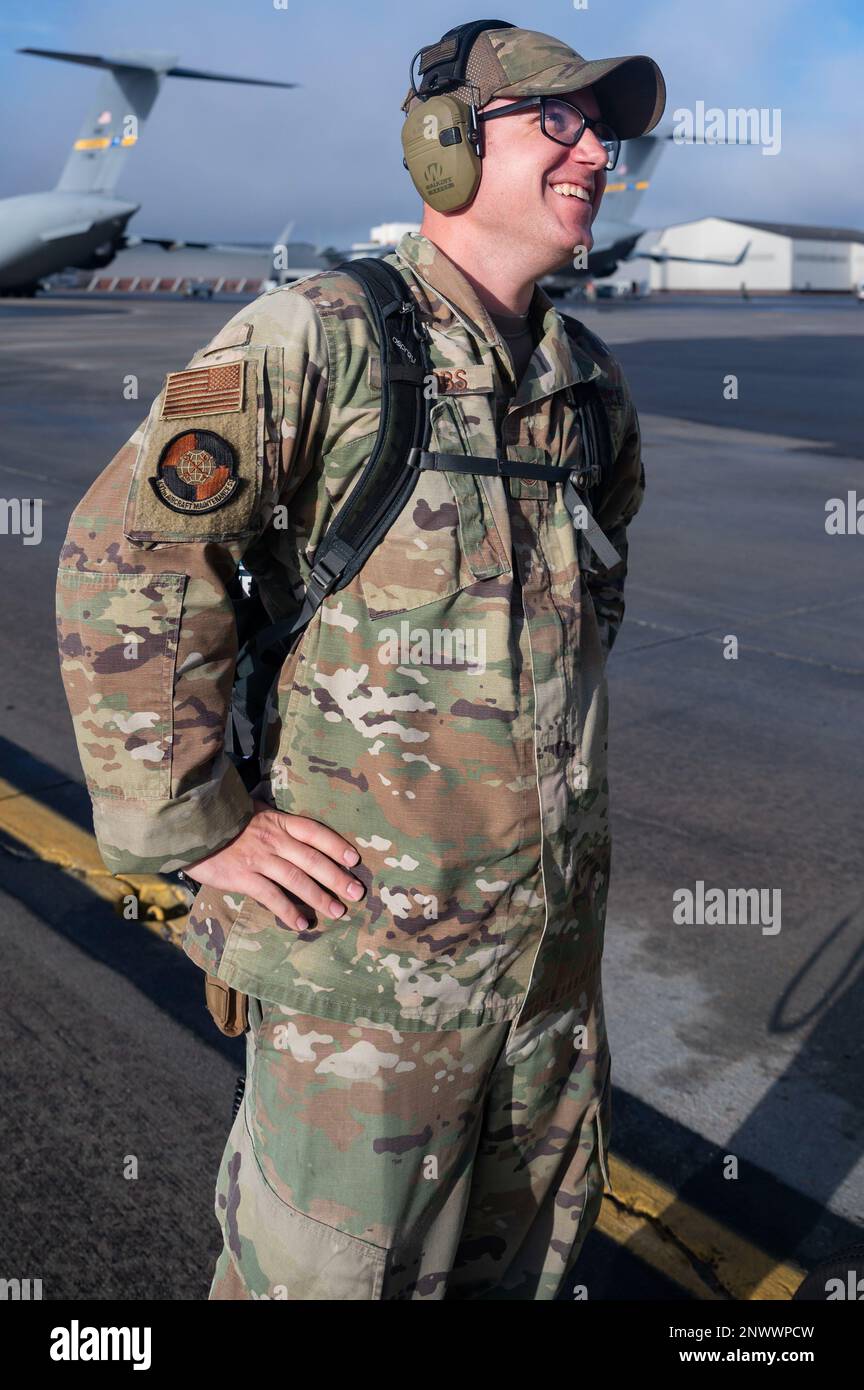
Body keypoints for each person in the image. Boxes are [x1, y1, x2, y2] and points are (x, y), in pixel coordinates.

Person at [56, 20, 664, 1300]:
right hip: (363, 991)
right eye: (557, 121)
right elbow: (131, 562)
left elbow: (581, 625)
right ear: (445, 146)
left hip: (546, 994)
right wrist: (194, 826)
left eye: (605, 128)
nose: (596, 151)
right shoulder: (321, 339)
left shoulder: (586, 387)